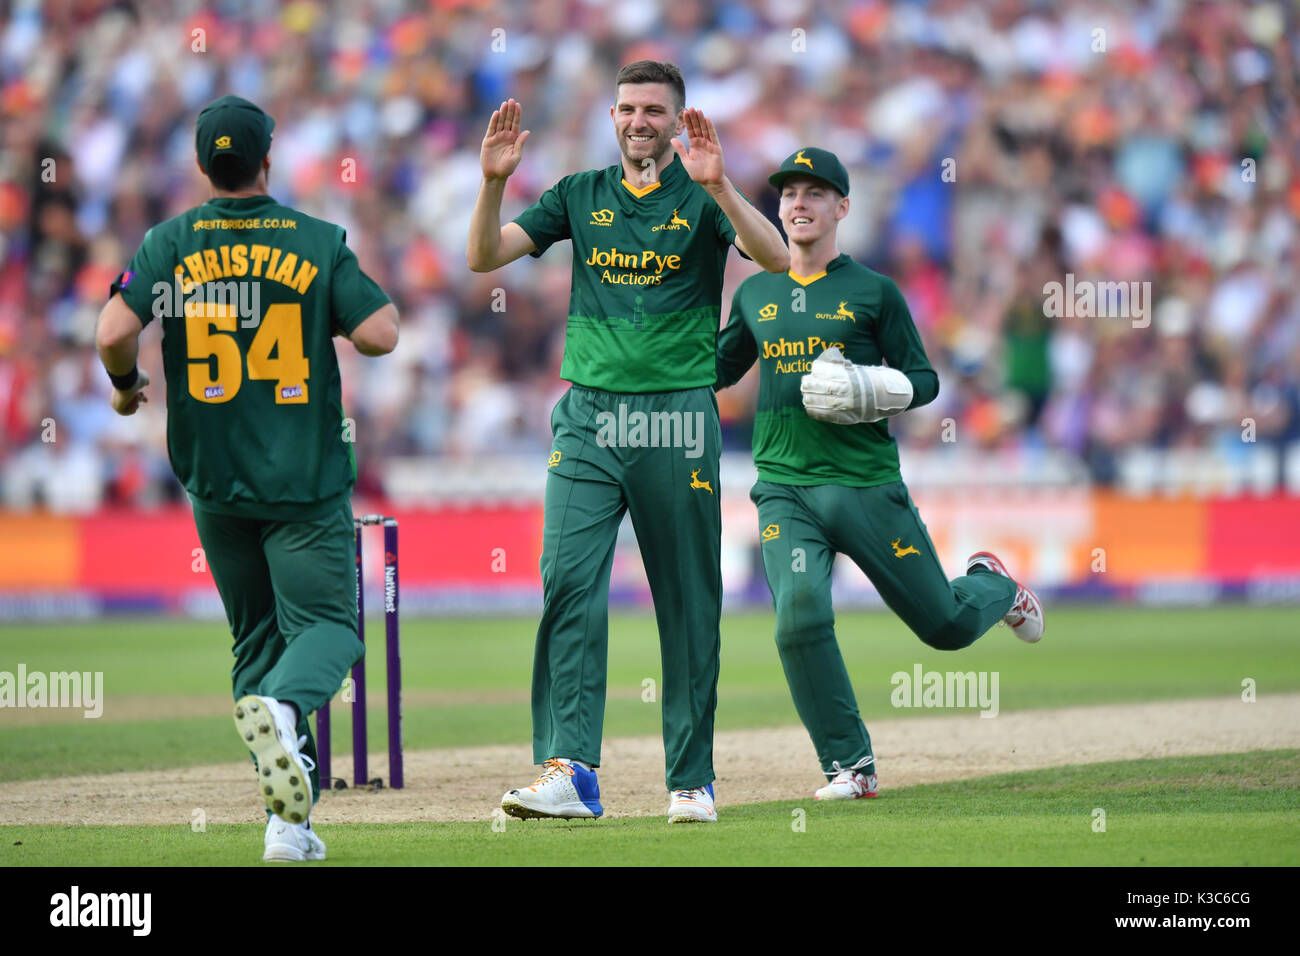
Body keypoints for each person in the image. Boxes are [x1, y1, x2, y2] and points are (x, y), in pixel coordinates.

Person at [467, 61, 789, 823]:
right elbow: (483, 256)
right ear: (611, 118)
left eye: (653, 109)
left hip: (676, 416)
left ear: (677, 122)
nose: (637, 119)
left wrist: (721, 188)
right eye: (626, 108)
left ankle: (691, 780)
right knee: (568, 584)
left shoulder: (704, 195)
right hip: (587, 417)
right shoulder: (579, 195)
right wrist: (491, 182)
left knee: (686, 600)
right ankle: (572, 771)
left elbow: (776, 260)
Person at [94, 94, 399, 860]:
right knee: (328, 631)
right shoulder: (314, 240)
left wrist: (129, 388)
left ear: (203, 166)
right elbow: (381, 334)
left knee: (257, 639)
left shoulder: (168, 244)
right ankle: (285, 714)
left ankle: (288, 827)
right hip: (302, 481)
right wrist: (312, 306)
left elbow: (112, 332)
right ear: (270, 158)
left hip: (214, 483)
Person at [715, 148, 1044, 800]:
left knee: (945, 628)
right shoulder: (756, 292)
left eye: (815, 194)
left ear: (842, 207)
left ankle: (995, 587)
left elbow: (925, 380)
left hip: (865, 485)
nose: (799, 205)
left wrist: (873, 388)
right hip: (786, 488)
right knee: (798, 618)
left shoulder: (873, 292)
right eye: (789, 195)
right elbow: (718, 370)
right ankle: (851, 767)